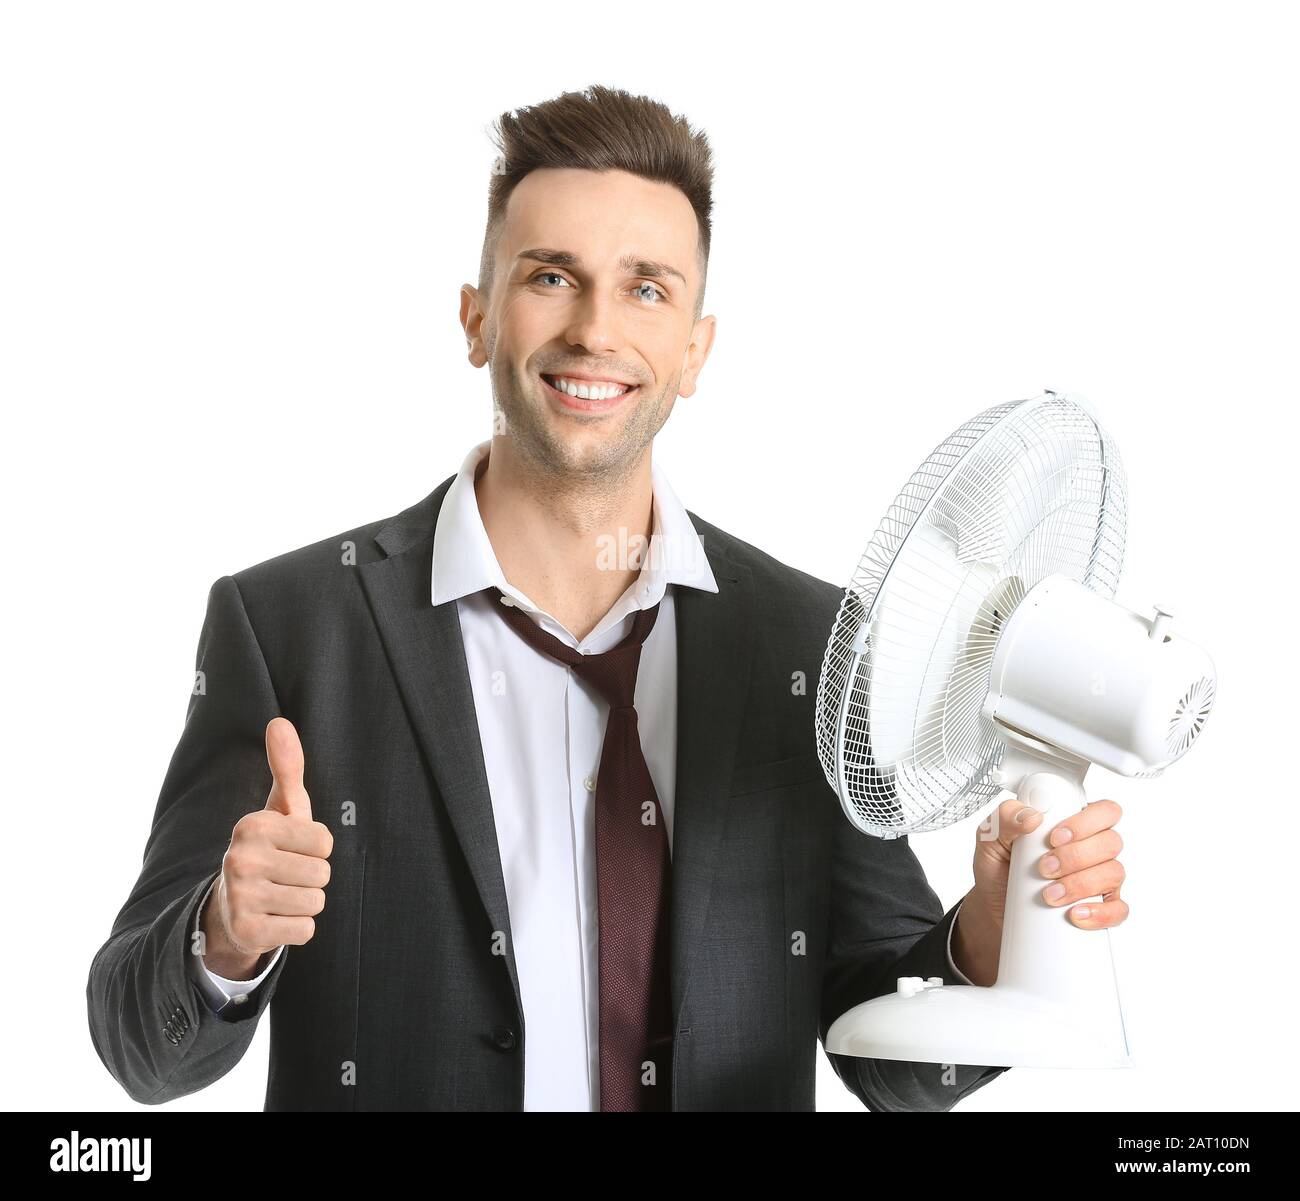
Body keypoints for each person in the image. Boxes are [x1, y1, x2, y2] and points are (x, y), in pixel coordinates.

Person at [87, 84, 1128, 1112]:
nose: (595, 331)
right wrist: (222, 938)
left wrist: (983, 941)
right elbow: (139, 1049)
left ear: (693, 351)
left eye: (646, 289)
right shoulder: (290, 627)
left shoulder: (808, 647)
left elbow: (891, 1064)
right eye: (551, 277)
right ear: (476, 318)